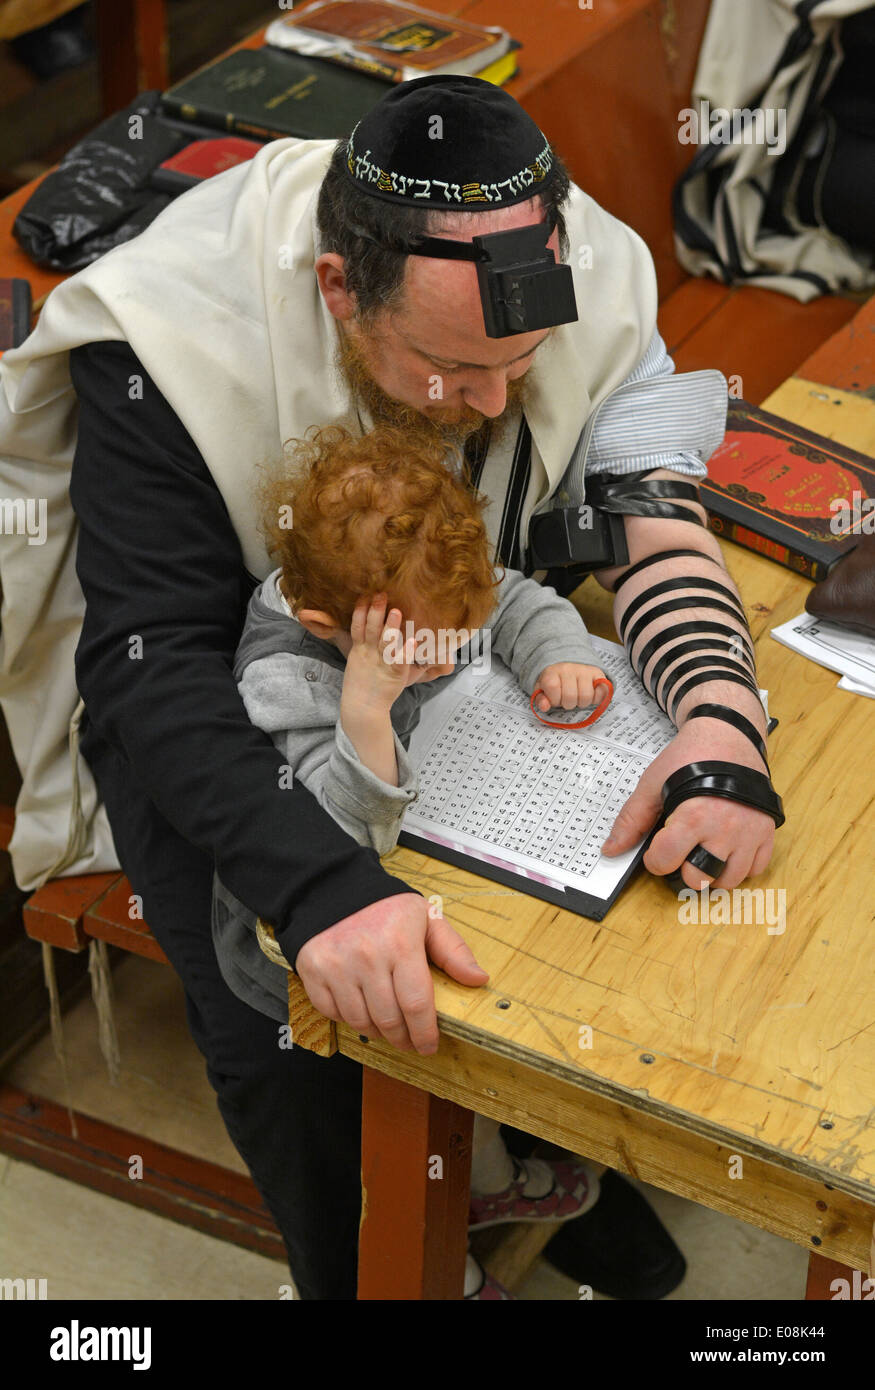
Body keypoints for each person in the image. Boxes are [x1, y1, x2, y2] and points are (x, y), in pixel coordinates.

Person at [0, 75, 783, 1300]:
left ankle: (524, 1149)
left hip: (443, 634)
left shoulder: (594, 277)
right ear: (335, 289)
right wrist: (322, 890)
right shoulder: (164, 337)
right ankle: (360, 1266)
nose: (490, 402)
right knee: (287, 995)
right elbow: (146, 667)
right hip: (224, 682)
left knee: (595, 881)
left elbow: (655, 521)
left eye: (520, 364)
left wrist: (725, 731)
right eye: (449, 367)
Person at [211, 421, 609, 1298]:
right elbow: (331, 850)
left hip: (427, 858)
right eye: (432, 646)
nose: (453, 648)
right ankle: (431, 1267)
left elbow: (511, 599)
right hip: (302, 947)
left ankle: (484, 1182)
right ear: (329, 629)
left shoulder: (416, 595)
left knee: (478, 1012)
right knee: (389, 1095)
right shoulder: (285, 681)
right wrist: (364, 713)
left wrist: (559, 654)